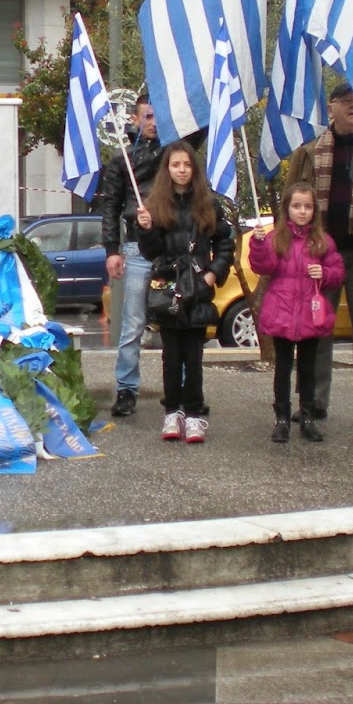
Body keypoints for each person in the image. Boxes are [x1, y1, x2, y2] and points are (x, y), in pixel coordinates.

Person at [284, 82, 353, 425]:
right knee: (318, 328)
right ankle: (313, 400)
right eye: (347, 101)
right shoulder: (310, 151)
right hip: (320, 252)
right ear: (331, 108)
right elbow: (290, 200)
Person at [135, 142, 233, 443]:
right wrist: (146, 229)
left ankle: (194, 413)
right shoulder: (155, 205)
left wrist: (213, 272)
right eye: (175, 165)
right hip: (168, 289)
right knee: (171, 355)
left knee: (193, 355)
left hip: (197, 289)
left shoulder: (208, 204)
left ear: (194, 169)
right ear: (167, 170)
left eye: (186, 165)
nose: (181, 170)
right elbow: (150, 252)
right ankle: (172, 411)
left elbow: (225, 243)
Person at [248, 181, 345, 443]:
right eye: (296, 206)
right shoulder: (276, 239)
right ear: (287, 209)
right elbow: (263, 265)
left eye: (308, 207)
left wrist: (324, 274)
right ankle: (281, 418)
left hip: (310, 316)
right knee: (282, 367)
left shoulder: (322, 241)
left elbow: (338, 273)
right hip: (282, 313)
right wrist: (257, 245)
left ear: (315, 211)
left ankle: (308, 417)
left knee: (308, 368)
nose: (302, 212)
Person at [100, 95, 163, 417]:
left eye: (159, 116)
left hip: (171, 249)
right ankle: (126, 388)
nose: (153, 122)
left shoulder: (174, 154)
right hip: (137, 248)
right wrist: (112, 250)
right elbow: (109, 206)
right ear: (136, 120)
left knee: (176, 320)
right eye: (148, 116)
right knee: (133, 323)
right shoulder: (121, 159)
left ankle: (181, 389)